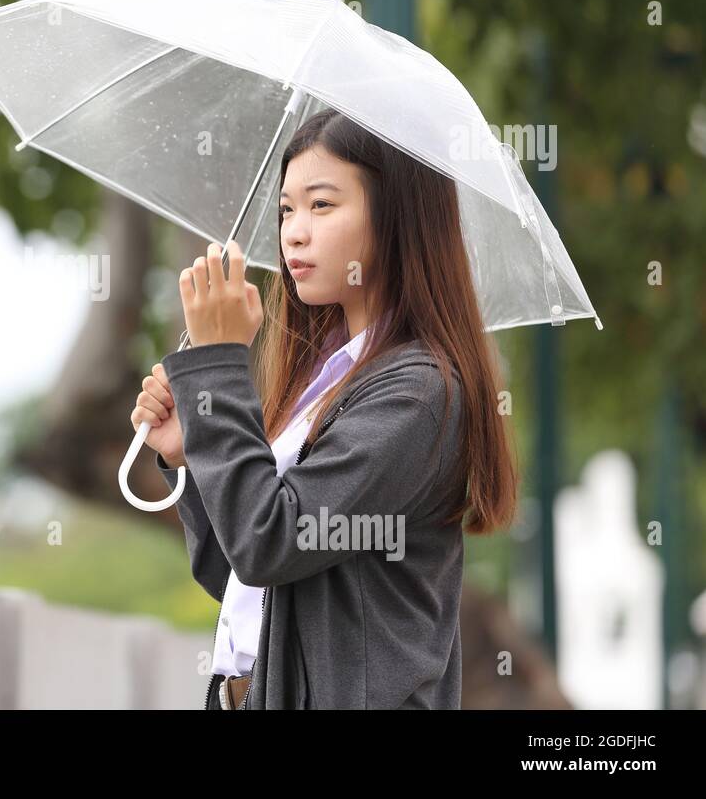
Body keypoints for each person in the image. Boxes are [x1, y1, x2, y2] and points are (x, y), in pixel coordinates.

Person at [130, 107, 520, 709]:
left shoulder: (416, 393)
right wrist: (193, 449)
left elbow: (270, 543)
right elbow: (246, 577)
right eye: (286, 209)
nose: (293, 232)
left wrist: (219, 362)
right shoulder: (325, 379)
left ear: (395, 217)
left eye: (322, 205)